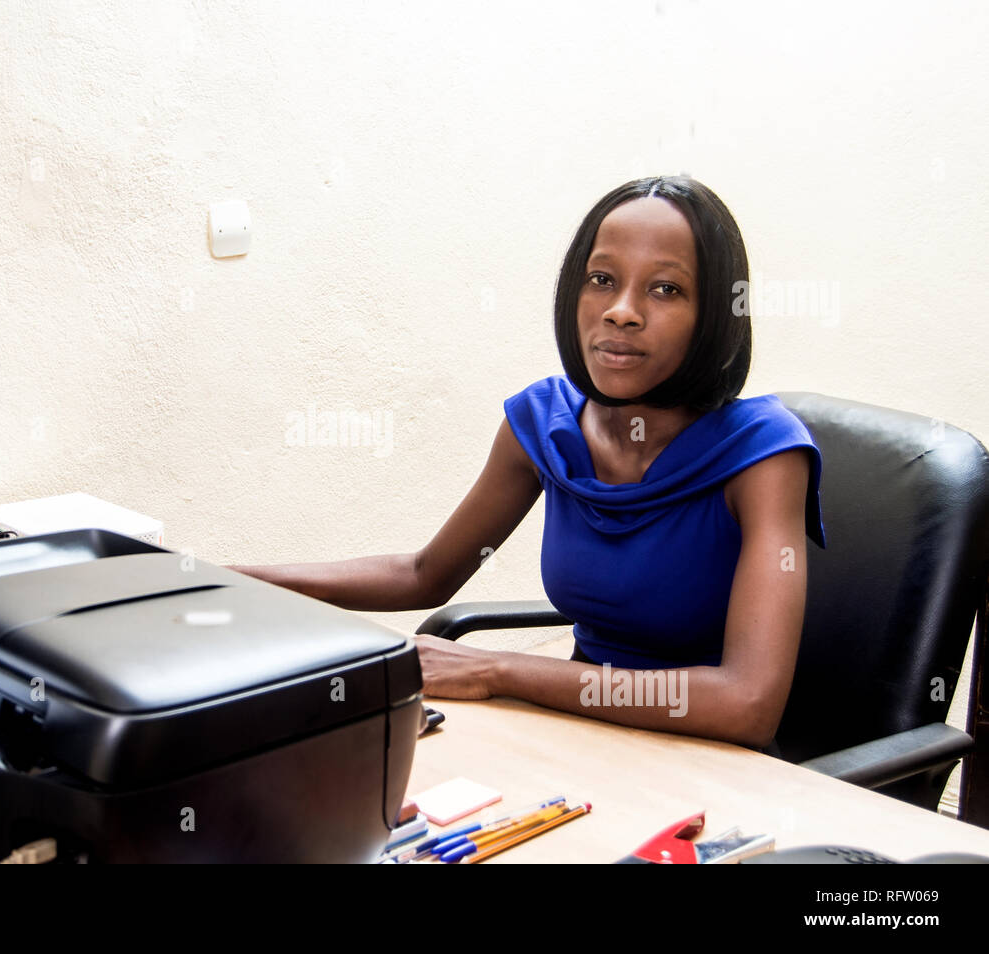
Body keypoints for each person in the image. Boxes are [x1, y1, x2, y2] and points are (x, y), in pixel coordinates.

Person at [227, 176, 825, 751]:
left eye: (665, 289)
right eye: (601, 279)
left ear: (716, 315)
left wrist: (499, 669)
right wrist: (236, 582)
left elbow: (747, 703)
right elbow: (424, 574)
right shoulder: (545, 425)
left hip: (717, 767)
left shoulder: (764, 455)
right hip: (580, 735)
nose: (621, 311)